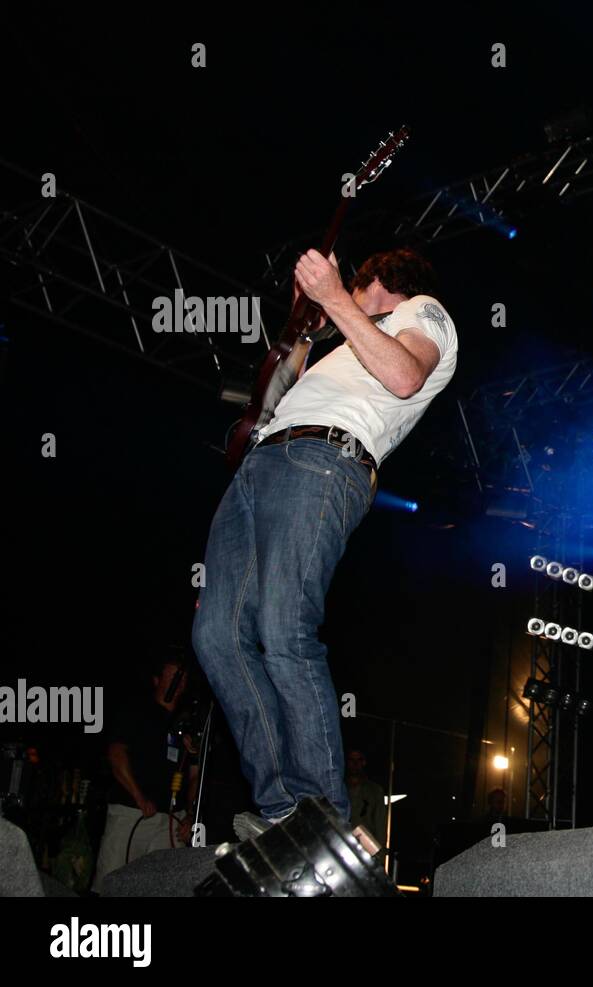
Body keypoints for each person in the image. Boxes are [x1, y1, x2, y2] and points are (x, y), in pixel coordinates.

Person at [192, 248, 457, 839]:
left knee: (285, 628)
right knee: (216, 636)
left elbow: (405, 376)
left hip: (324, 459)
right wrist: (305, 331)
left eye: (352, 287)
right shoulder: (342, 346)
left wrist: (335, 296)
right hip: (263, 462)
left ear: (373, 282)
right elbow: (273, 394)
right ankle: (281, 806)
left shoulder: (423, 311)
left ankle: (321, 818)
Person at [91, 655, 196, 893]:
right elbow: (116, 754)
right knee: (113, 884)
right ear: (157, 679)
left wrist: (189, 815)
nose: (178, 684)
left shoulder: (187, 724)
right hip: (131, 813)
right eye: (173, 678)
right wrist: (139, 797)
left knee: (166, 887)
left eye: (183, 680)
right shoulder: (136, 710)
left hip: (170, 821)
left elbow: (195, 776)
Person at [345, 748, 387, 842]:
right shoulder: (337, 789)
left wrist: (379, 854)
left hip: (366, 847)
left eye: (359, 760)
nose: (355, 764)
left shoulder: (375, 791)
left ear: (363, 762)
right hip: (342, 844)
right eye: (352, 760)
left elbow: (380, 825)